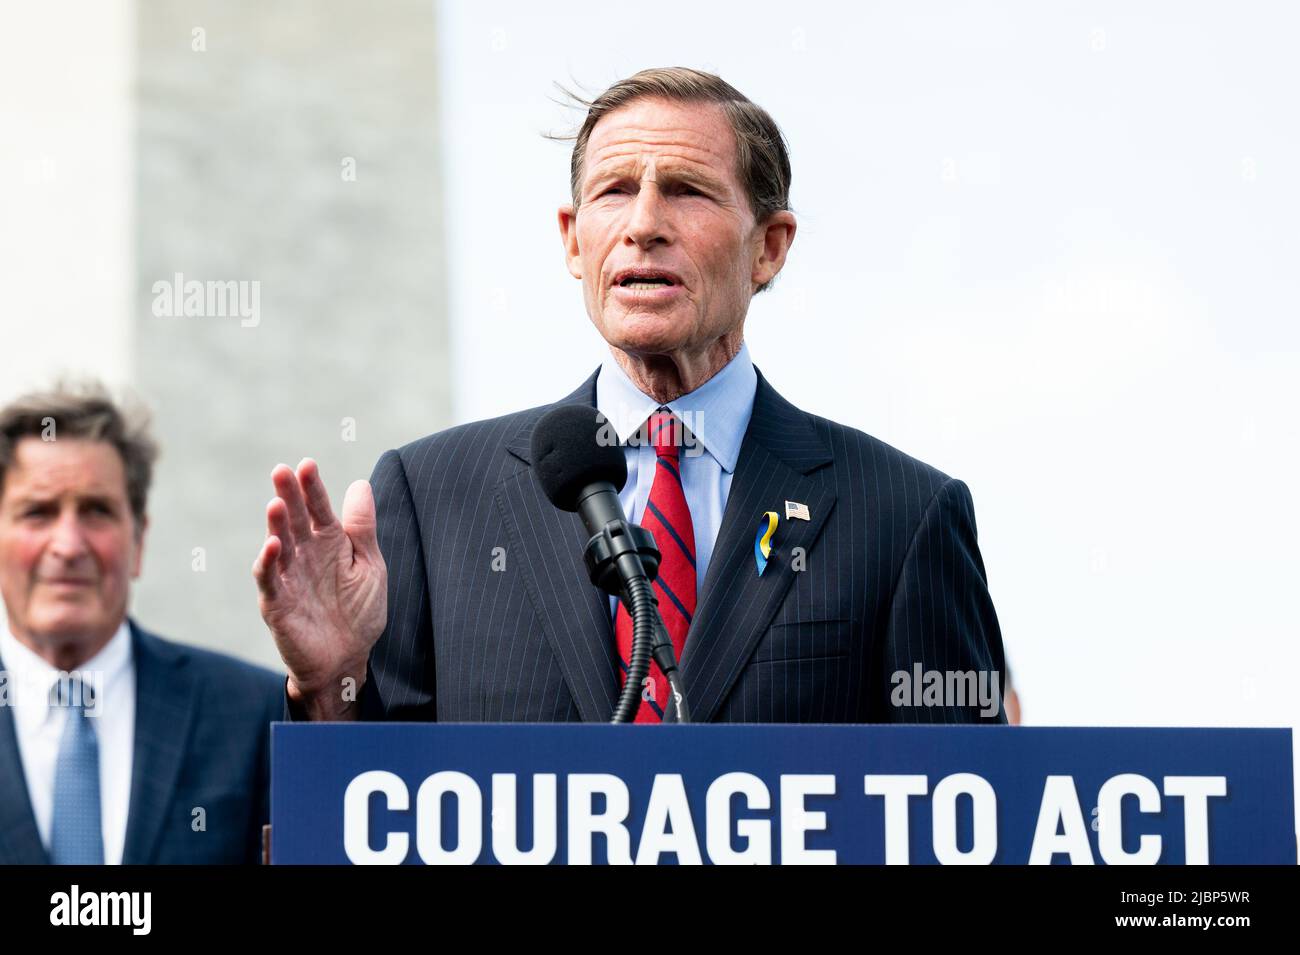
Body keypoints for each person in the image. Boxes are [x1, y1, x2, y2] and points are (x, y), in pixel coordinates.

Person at [254, 67, 1006, 725]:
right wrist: (329, 682)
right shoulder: (433, 496)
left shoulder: (903, 515)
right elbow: (368, 811)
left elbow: (966, 808)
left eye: (686, 191)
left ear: (770, 246)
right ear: (574, 240)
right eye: (614, 192)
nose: (644, 225)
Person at [0, 385, 282, 864]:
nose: (68, 545)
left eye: (97, 511)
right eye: (38, 512)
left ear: (139, 540)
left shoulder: (255, 714)